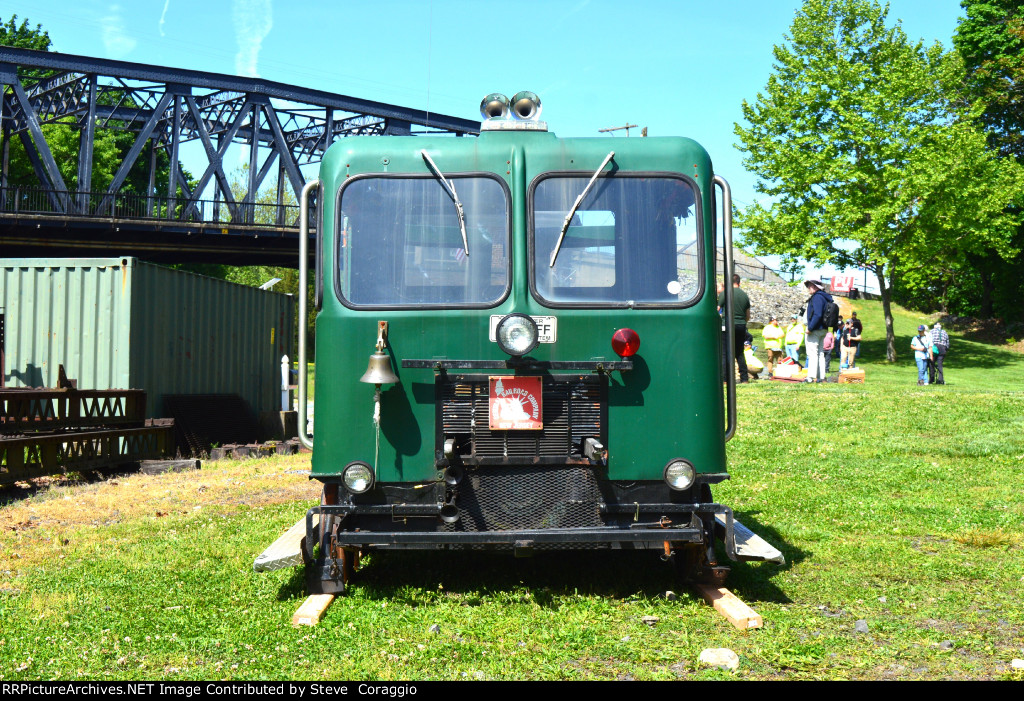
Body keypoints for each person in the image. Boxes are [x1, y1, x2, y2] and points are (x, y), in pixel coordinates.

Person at [717, 274, 751, 383]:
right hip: (741, 325)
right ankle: (744, 378)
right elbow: (748, 315)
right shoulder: (744, 295)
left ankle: (725, 379)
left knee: (724, 353)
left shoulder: (724, 293)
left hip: (726, 325)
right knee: (739, 352)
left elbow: (717, 309)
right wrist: (742, 323)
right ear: (739, 283)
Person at [802, 279, 835, 383]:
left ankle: (810, 377)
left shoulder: (817, 297)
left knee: (812, 353)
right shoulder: (825, 297)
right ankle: (821, 377)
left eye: (809, 286)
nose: (808, 288)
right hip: (823, 329)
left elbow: (818, 314)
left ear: (814, 286)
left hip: (815, 329)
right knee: (820, 353)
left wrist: (810, 328)